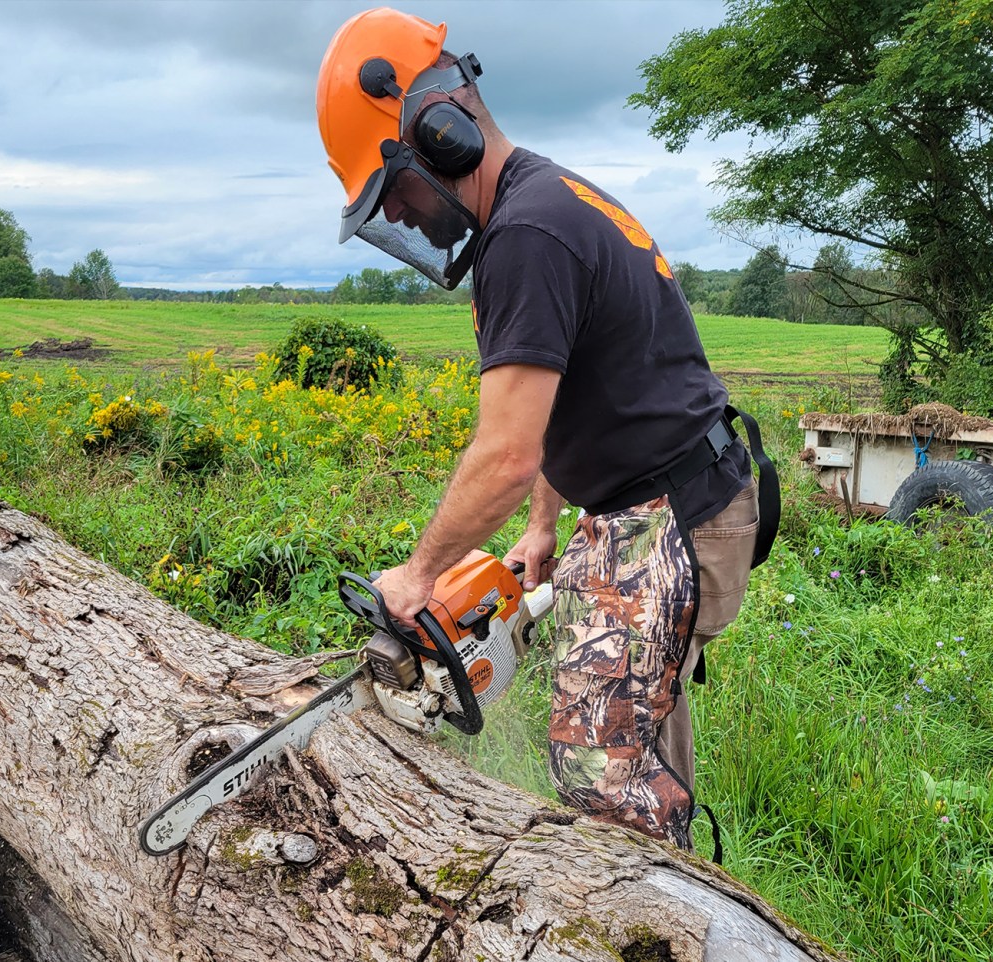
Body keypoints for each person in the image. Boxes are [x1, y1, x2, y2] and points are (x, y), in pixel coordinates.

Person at [315, 7, 777, 852]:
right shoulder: (544, 202)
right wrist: (541, 522)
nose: (410, 220)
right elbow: (566, 402)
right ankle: (655, 860)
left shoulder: (528, 234)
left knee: (601, 771)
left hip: (671, 512)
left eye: (401, 193)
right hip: (657, 501)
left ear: (441, 136)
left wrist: (419, 577)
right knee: (632, 726)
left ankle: (653, 921)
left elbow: (504, 452)